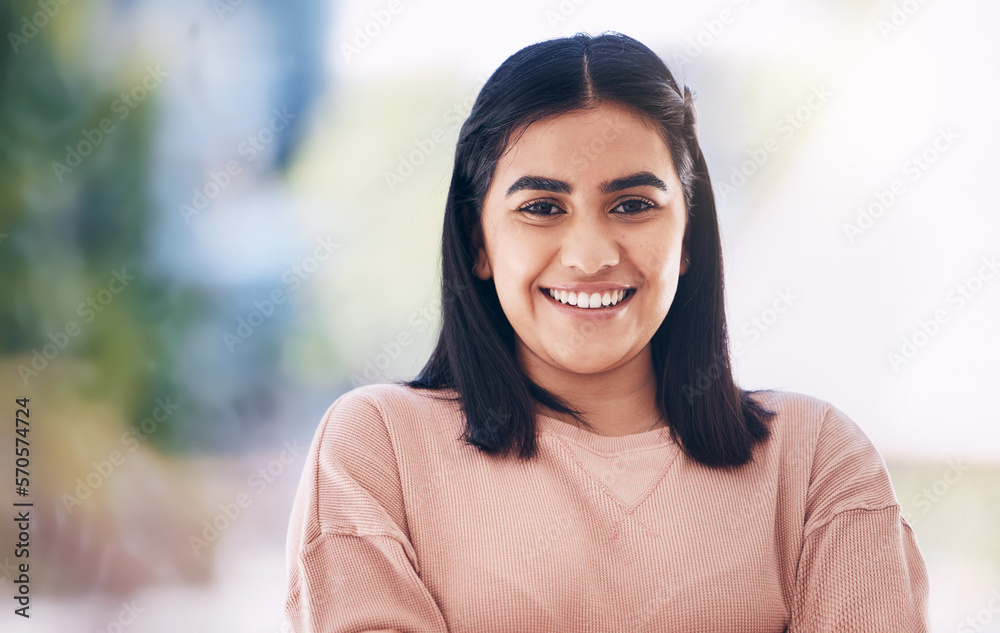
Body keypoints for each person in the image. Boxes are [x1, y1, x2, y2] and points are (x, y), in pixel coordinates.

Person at [285, 31, 930, 632]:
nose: (590, 255)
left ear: (687, 239)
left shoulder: (817, 460)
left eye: (633, 206)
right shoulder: (379, 448)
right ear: (477, 241)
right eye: (541, 208)